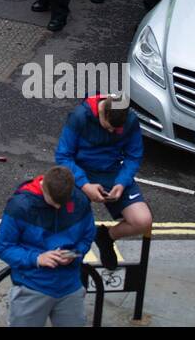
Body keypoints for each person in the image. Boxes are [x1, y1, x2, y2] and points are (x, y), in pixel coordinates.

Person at [55, 94, 152, 270]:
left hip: (113, 172)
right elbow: (63, 156)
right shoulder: (80, 117)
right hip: (80, 172)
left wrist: (122, 182)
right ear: (103, 113)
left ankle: (106, 237)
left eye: (117, 130)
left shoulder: (129, 120)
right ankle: (73, 270)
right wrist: (84, 185)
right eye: (109, 127)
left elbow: (133, 155)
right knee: (75, 226)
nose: (111, 132)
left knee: (142, 220)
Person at [0, 165, 96, 327]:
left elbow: (87, 236)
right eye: (54, 202)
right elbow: (3, 247)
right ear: (44, 188)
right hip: (31, 287)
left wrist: (75, 254)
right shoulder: (20, 206)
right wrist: (37, 258)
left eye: (63, 203)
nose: (58, 207)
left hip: (70, 287)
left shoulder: (80, 201)